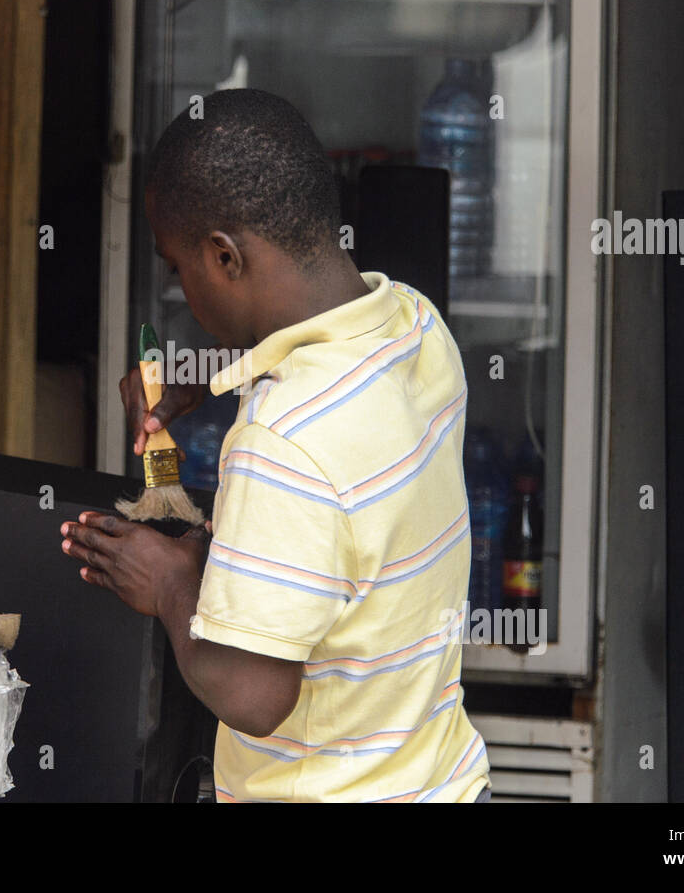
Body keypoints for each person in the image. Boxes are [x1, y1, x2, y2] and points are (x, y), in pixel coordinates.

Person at [60, 88, 490, 803]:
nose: (181, 293)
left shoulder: (283, 439)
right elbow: (344, 512)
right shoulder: (414, 325)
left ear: (225, 256)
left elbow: (256, 693)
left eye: (179, 268)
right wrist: (228, 375)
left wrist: (170, 584)